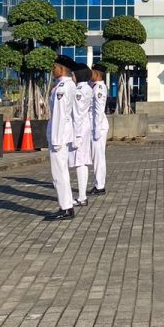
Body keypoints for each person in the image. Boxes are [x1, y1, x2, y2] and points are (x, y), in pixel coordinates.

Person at [46, 55, 79, 220]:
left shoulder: (62, 88)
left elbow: (58, 115)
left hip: (58, 135)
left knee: (58, 173)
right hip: (63, 133)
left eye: (55, 67)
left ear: (62, 69)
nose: (53, 70)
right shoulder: (68, 85)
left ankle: (66, 207)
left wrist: (55, 140)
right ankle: (66, 205)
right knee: (62, 172)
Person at [70, 65, 94, 207]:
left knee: (79, 161)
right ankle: (82, 195)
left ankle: (82, 196)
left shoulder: (79, 91)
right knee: (82, 161)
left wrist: (77, 135)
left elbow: (78, 114)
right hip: (84, 126)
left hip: (79, 128)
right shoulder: (87, 89)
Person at [90, 63, 110, 196]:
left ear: (97, 74)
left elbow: (98, 110)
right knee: (96, 157)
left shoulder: (99, 89)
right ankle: (98, 184)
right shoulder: (94, 86)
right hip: (96, 125)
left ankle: (100, 185)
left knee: (98, 157)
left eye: (92, 72)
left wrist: (96, 128)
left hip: (99, 126)